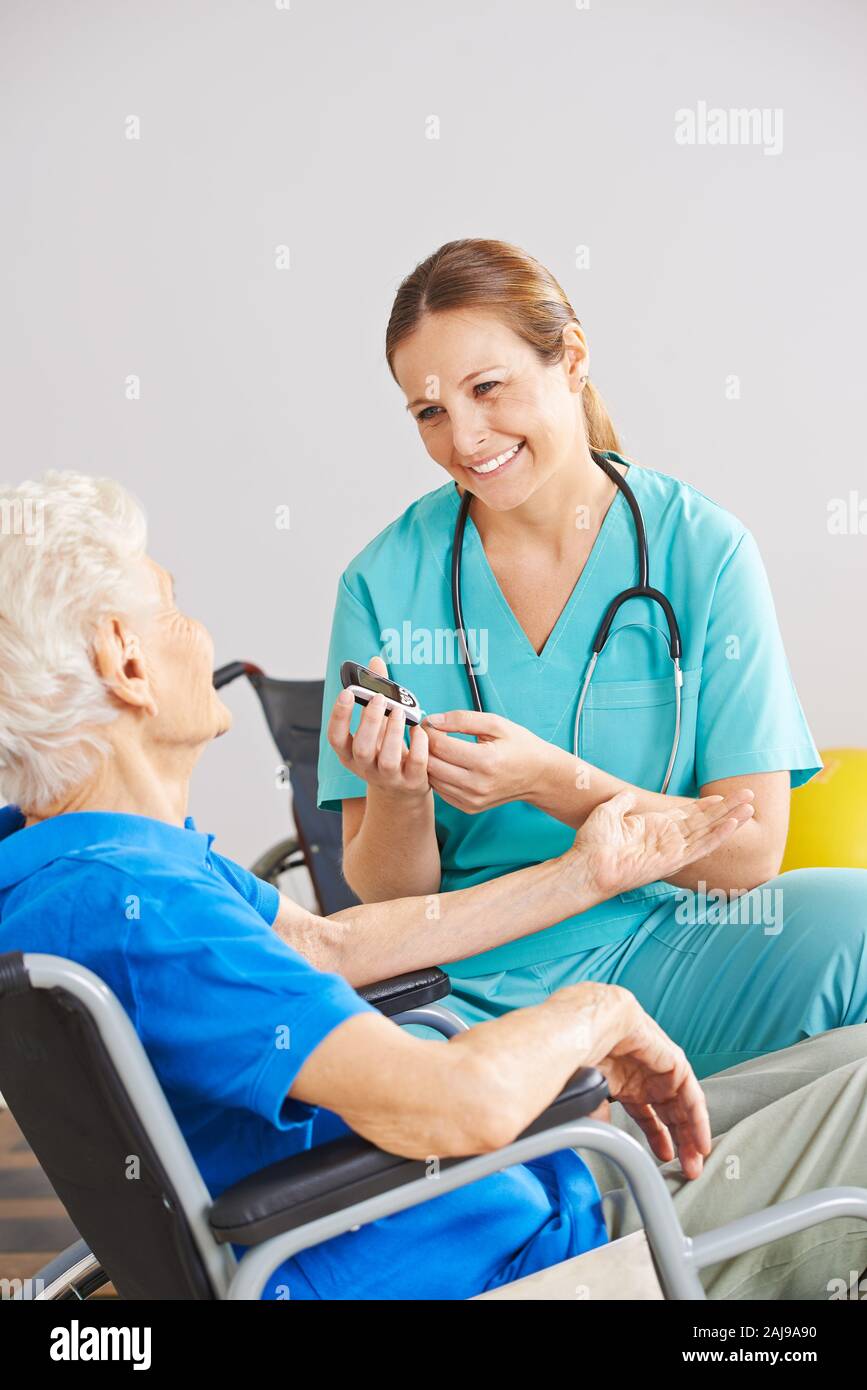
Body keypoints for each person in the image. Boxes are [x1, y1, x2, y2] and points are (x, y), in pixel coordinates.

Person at [1, 471, 865, 1300]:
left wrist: (585, 871)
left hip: (505, 1197)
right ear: (126, 663)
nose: (198, 630)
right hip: (523, 1260)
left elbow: (325, 943)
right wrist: (591, 1013)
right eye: (172, 608)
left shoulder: (78, 869)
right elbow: (454, 1107)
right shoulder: (149, 917)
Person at [318, 237, 867, 1078]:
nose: (464, 438)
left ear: (570, 358)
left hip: (679, 946)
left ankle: (688, 1151)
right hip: (473, 978)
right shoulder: (383, 581)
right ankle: (676, 1153)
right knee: (396, 1105)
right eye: (429, 412)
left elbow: (745, 856)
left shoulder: (702, 550)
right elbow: (390, 904)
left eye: (487, 388)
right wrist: (397, 796)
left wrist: (550, 781)